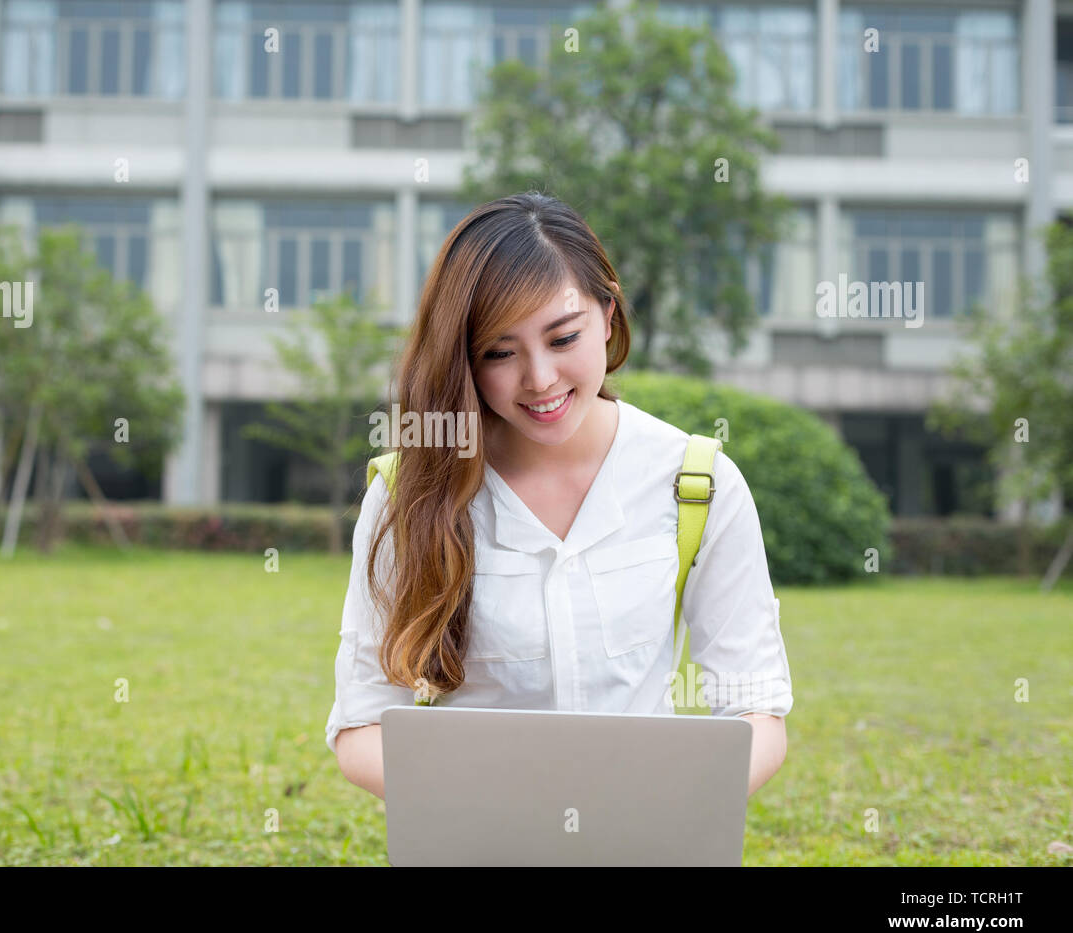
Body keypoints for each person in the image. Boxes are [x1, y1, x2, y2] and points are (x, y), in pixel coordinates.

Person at [326, 191, 792, 801]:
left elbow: (754, 706)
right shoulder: (408, 493)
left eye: (563, 338)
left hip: (641, 838)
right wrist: (495, 799)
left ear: (607, 313)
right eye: (500, 352)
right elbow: (362, 722)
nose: (540, 379)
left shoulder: (697, 483)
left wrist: (669, 801)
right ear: (463, 359)